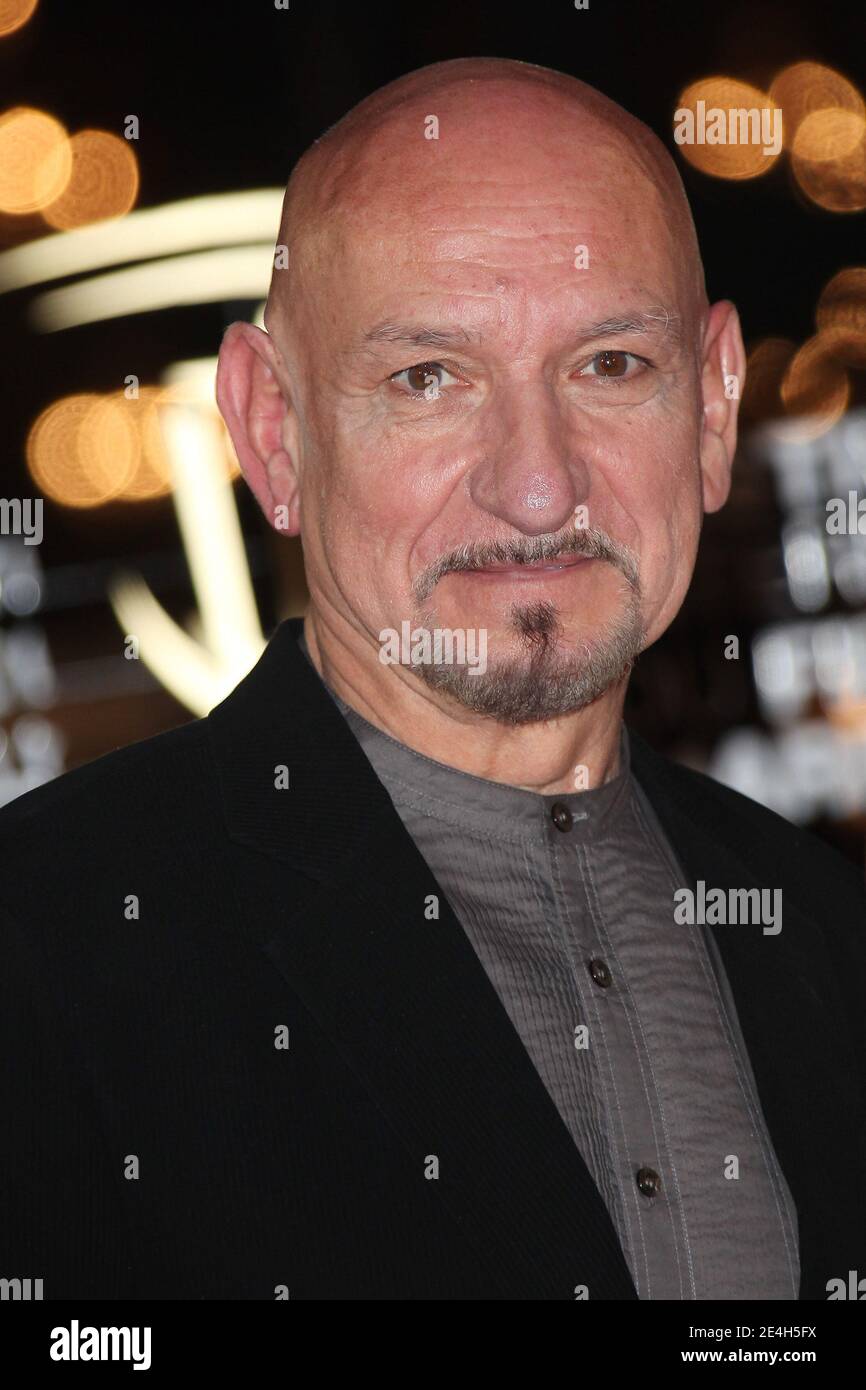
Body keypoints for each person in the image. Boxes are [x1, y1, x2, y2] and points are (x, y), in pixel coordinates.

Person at [2, 56, 864, 1301]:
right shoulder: (45, 958)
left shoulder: (825, 939)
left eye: (610, 363)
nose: (536, 485)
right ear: (273, 431)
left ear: (715, 407)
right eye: (427, 378)